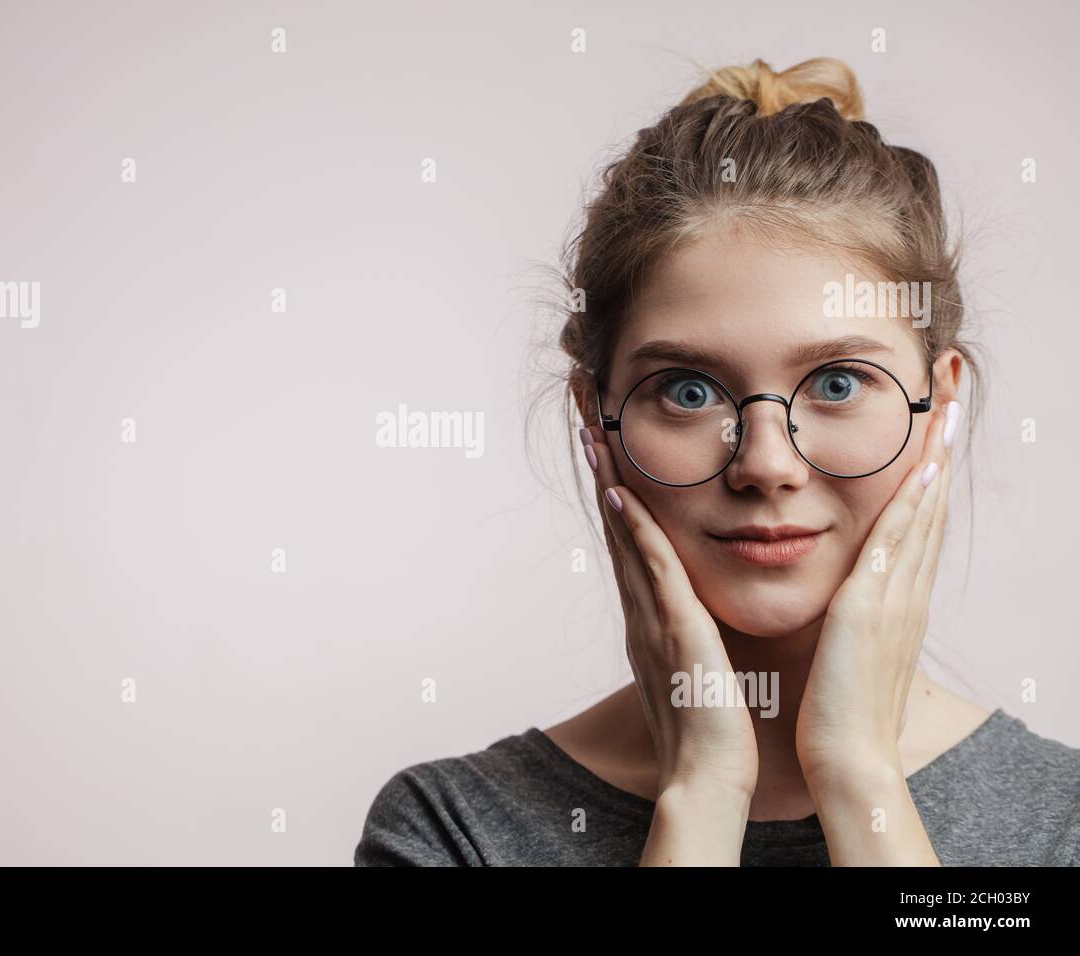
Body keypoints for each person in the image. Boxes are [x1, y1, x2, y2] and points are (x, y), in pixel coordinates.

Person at [353, 57, 1080, 866]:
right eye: (690, 391)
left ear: (939, 406)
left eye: (839, 382)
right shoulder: (453, 832)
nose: (766, 464)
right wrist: (701, 796)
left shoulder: (1063, 824)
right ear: (596, 415)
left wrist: (860, 780)